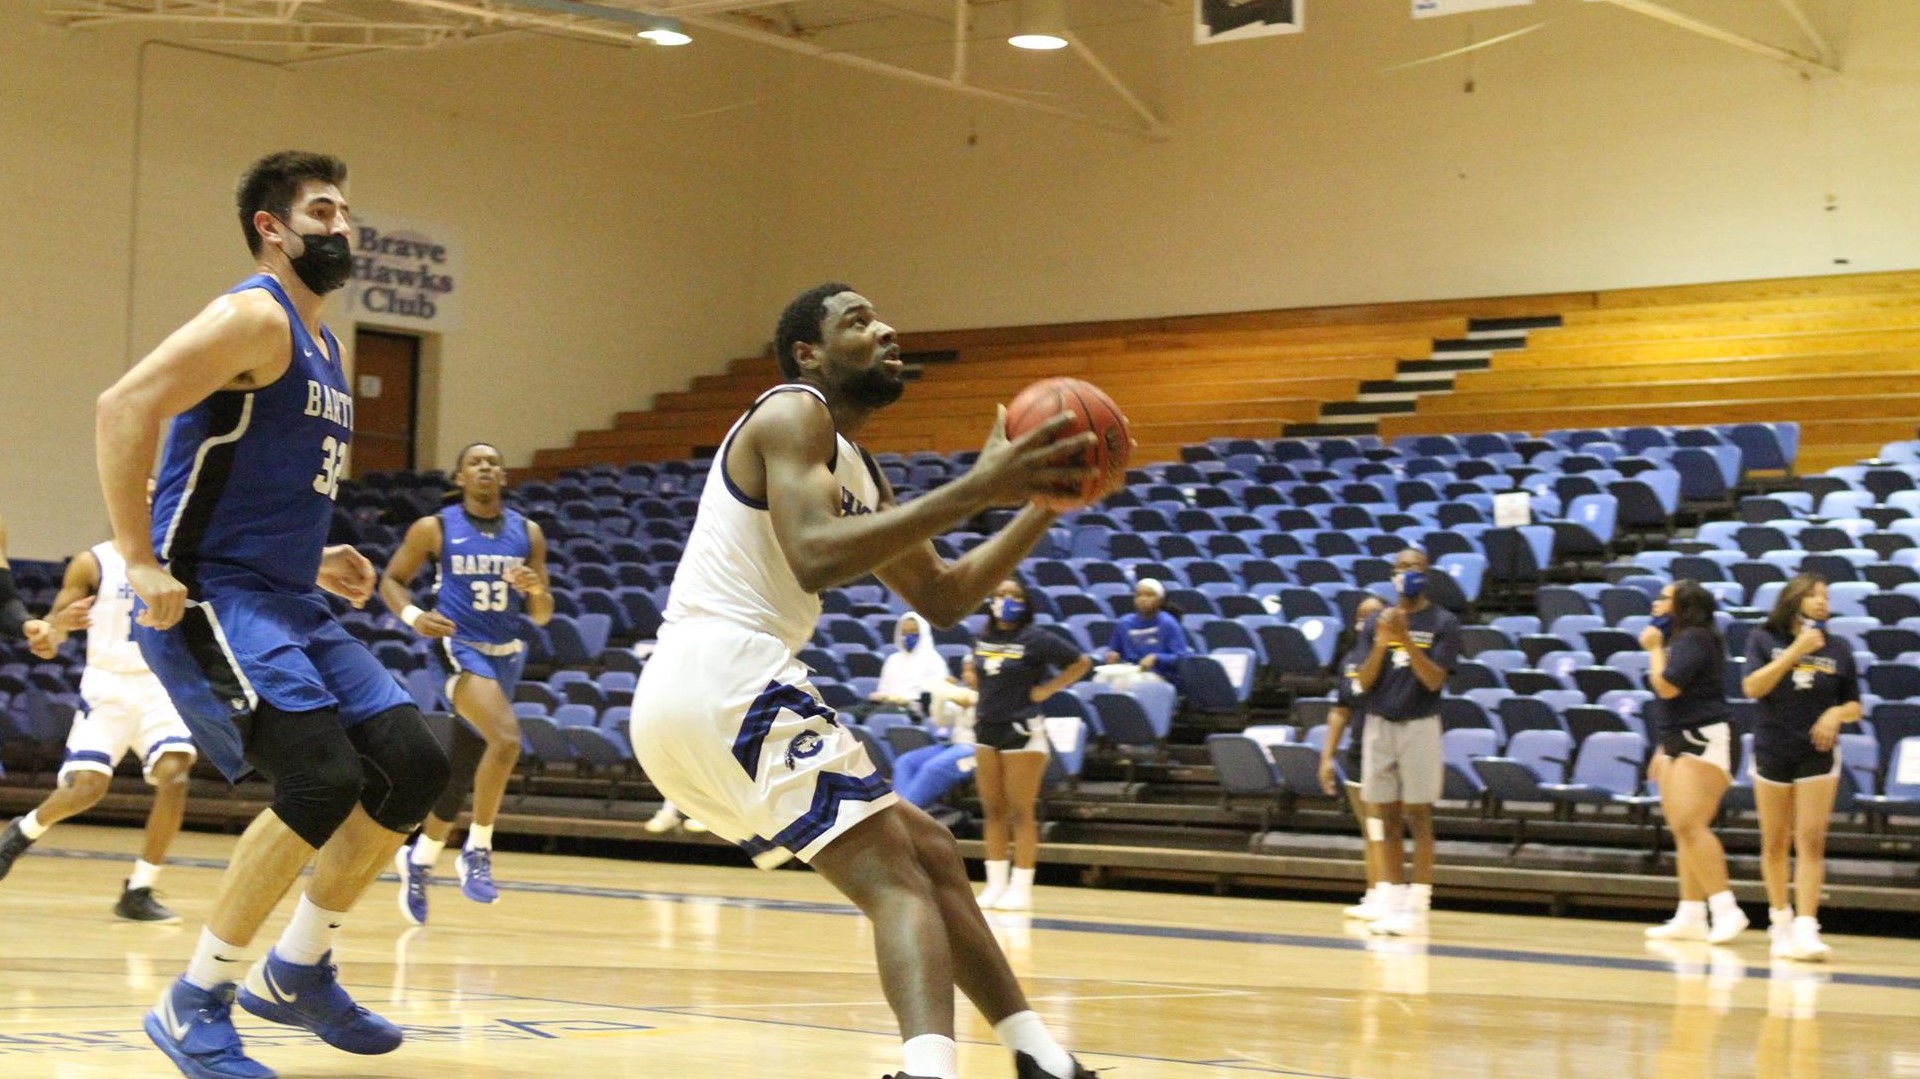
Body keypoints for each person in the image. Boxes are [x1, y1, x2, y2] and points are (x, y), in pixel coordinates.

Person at [628, 283, 1105, 1079]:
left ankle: (1041, 1059)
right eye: (857, 321)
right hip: (725, 674)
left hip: (708, 694)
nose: (886, 328)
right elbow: (816, 552)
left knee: (931, 852)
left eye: (882, 318)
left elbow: (943, 596)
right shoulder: (792, 410)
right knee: (894, 878)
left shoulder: (853, 463)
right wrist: (981, 484)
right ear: (809, 352)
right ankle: (928, 1071)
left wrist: (1040, 504)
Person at [96, 150, 451, 1079]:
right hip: (210, 593)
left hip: (290, 594)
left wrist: (318, 549)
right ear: (271, 226)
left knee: (413, 763)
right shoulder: (253, 313)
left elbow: (262, 468)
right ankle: (195, 999)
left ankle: (295, 972)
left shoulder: (328, 343)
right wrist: (137, 558)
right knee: (321, 778)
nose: (343, 226)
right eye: (324, 210)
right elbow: (122, 405)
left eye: (346, 211)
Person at [379, 441, 552, 926]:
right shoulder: (434, 528)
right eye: (474, 462)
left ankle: (419, 861)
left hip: (505, 654)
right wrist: (414, 616)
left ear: (503, 477)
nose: (485, 468)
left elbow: (543, 613)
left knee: (458, 773)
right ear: (459, 477)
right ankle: (477, 850)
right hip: (457, 645)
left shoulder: (528, 533)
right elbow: (390, 580)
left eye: (493, 462)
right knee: (506, 739)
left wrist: (535, 590)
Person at [0, 508, 200, 923]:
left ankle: (140, 888)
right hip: (107, 686)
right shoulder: (92, 562)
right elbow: (52, 633)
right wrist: (53, 628)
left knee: (176, 772)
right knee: (86, 790)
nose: (147, 503)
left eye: (154, 496)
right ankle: (24, 830)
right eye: (139, 495)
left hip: (158, 685)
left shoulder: (182, 560)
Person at [1740, 574, 1858, 961]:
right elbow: (1753, 688)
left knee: (1811, 840)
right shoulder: (1763, 639)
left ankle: (1807, 927)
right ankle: (1780, 922)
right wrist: (1797, 651)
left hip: (1817, 752)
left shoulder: (1839, 648)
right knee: (1774, 841)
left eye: (1826, 595)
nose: (1822, 601)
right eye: (1813, 595)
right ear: (1793, 600)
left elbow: (1854, 704)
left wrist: (1835, 713)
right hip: (1773, 747)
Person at [965, 578, 1092, 912]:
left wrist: (1046, 691)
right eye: (1002, 594)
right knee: (992, 810)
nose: (1008, 599)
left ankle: (1021, 887)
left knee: (1021, 811)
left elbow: (1081, 662)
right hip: (986, 727)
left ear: (1025, 603)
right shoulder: (981, 635)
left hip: (1022, 728)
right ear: (991, 600)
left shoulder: (1036, 638)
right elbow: (978, 673)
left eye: (1015, 595)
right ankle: (995, 885)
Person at [1351, 549, 1460, 937]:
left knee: (1419, 815)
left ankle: (1418, 904)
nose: (1407, 573)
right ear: (1392, 575)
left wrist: (1406, 642)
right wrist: (1382, 642)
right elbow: (1362, 683)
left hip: (1419, 724)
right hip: (1380, 723)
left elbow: (1433, 680)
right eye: (1400, 568)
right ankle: (1392, 900)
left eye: (1414, 567)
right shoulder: (1375, 623)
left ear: (1426, 574)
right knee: (1386, 814)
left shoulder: (1443, 622)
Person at [1641, 580, 1747, 945]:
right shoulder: (1683, 641)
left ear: (1682, 606)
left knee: (1691, 824)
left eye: (1664, 598)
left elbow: (1667, 687)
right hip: (1677, 737)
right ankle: (1691, 913)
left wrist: (1653, 649)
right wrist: (1662, 747)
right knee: (1682, 828)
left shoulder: (1696, 638)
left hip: (1706, 736)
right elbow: (1674, 703)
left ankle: (1726, 908)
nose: (1656, 603)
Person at [1318, 595, 1388, 922]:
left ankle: (1391, 894)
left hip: (1387, 748)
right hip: (1358, 748)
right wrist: (1326, 757)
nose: (1366, 621)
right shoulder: (1350, 658)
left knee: (1383, 827)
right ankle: (1374, 891)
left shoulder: (1395, 655)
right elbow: (1340, 711)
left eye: (1373, 614)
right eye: (1361, 616)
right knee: (1368, 827)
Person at [1101, 578, 1189, 689]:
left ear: (1160, 600)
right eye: (1138, 595)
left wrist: (1157, 658)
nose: (1143, 599)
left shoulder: (1168, 623)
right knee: (1101, 678)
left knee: (1127, 683)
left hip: (1161, 675)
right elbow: (1114, 650)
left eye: (1149, 595)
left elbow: (1181, 657)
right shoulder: (1124, 623)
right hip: (1130, 671)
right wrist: (1112, 656)